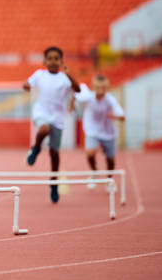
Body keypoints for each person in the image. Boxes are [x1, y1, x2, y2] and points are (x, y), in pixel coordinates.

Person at [23, 46, 81, 203]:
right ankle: (36, 148)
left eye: (56, 59)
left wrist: (69, 74)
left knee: (54, 154)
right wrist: (27, 86)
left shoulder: (64, 78)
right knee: (44, 128)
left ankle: (53, 183)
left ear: (61, 61)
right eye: (50, 59)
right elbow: (26, 83)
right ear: (44, 61)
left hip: (58, 118)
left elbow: (78, 89)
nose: (53, 62)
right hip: (41, 113)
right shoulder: (39, 74)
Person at [72, 75, 125, 188]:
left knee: (110, 159)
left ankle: (109, 179)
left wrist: (115, 116)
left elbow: (122, 115)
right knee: (90, 153)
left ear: (107, 88)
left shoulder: (110, 100)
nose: (100, 90)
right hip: (92, 131)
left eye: (103, 88)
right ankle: (94, 171)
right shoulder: (88, 97)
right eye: (98, 87)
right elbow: (77, 91)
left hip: (108, 132)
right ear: (93, 87)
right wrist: (72, 103)